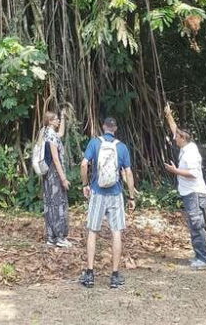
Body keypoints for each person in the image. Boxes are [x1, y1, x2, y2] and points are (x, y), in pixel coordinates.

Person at [79, 116, 136, 289]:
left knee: (92, 232)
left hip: (97, 192)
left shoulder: (95, 143)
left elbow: (83, 164)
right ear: (116, 128)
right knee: (116, 232)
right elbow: (128, 173)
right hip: (116, 193)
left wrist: (85, 185)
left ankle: (89, 274)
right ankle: (115, 275)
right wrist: (131, 197)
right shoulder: (122, 147)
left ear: (103, 127)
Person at [163, 102, 206, 269]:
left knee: (197, 225)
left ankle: (204, 259)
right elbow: (174, 128)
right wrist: (168, 114)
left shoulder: (191, 152)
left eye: (177, 136)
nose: (174, 137)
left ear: (183, 138)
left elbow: (194, 173)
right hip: (190, 193)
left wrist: (174, 171)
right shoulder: (186, 147)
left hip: (195, 194)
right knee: (194, 225)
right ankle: (200, 255)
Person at [42, 109, 71, 248]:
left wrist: (63, 117)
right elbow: (56, 159)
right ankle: (60, 237)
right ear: (50, 121)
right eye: (56, 119)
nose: (58, 121)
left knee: (50, 203)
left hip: (48, 175)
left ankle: (51, 237)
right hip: (54, 175)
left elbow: (61, 133)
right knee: (58, 203)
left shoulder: (45, 133)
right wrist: (63, 178)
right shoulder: (51, 137)